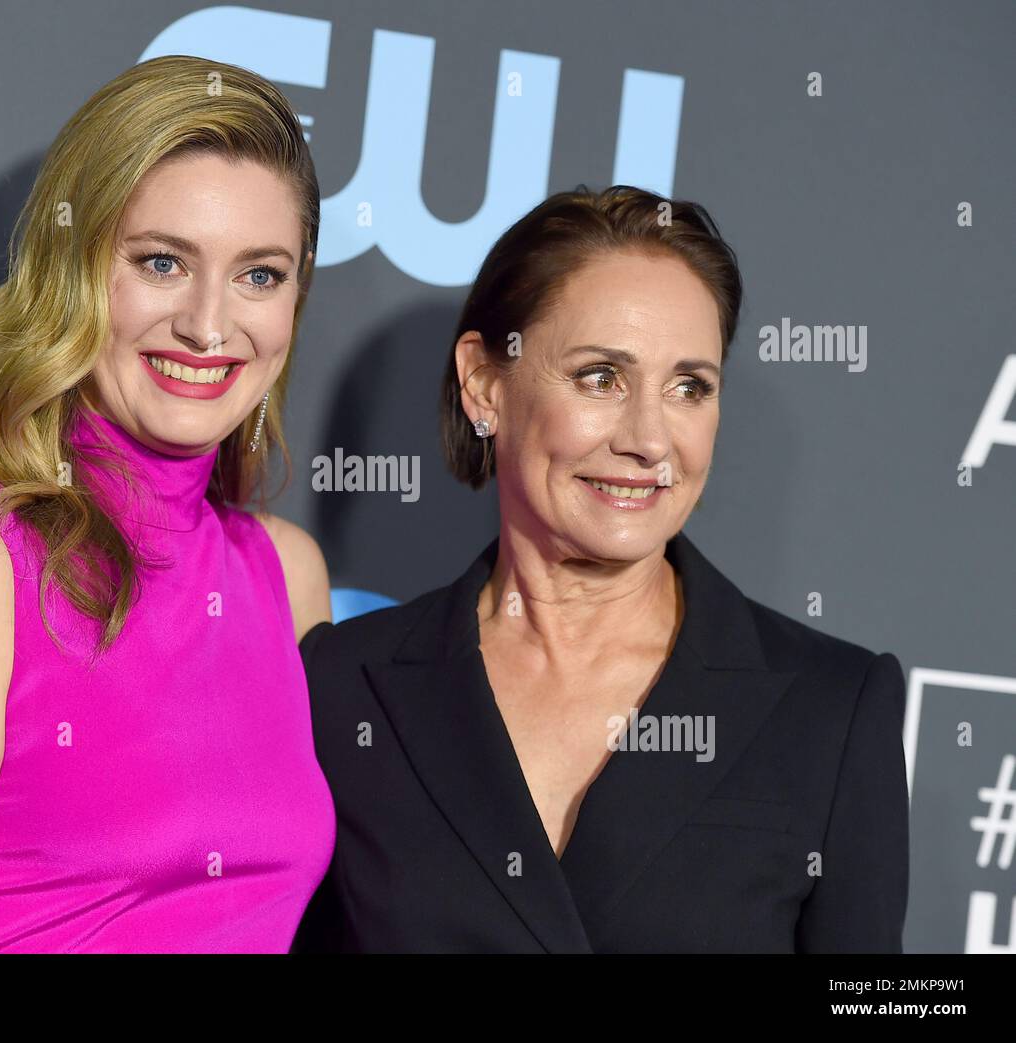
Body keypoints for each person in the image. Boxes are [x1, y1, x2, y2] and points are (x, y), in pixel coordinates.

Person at [293, 185, 910, 953]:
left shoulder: (831, 710)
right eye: (600, 377)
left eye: (690, 387)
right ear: (486, 384)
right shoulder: (342, 685)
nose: (650, 438)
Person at [0, 55, 335, 953]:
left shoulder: (284, 574)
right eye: (163, 262)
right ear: (74, 270)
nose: (210, 326)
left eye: (260, 275)